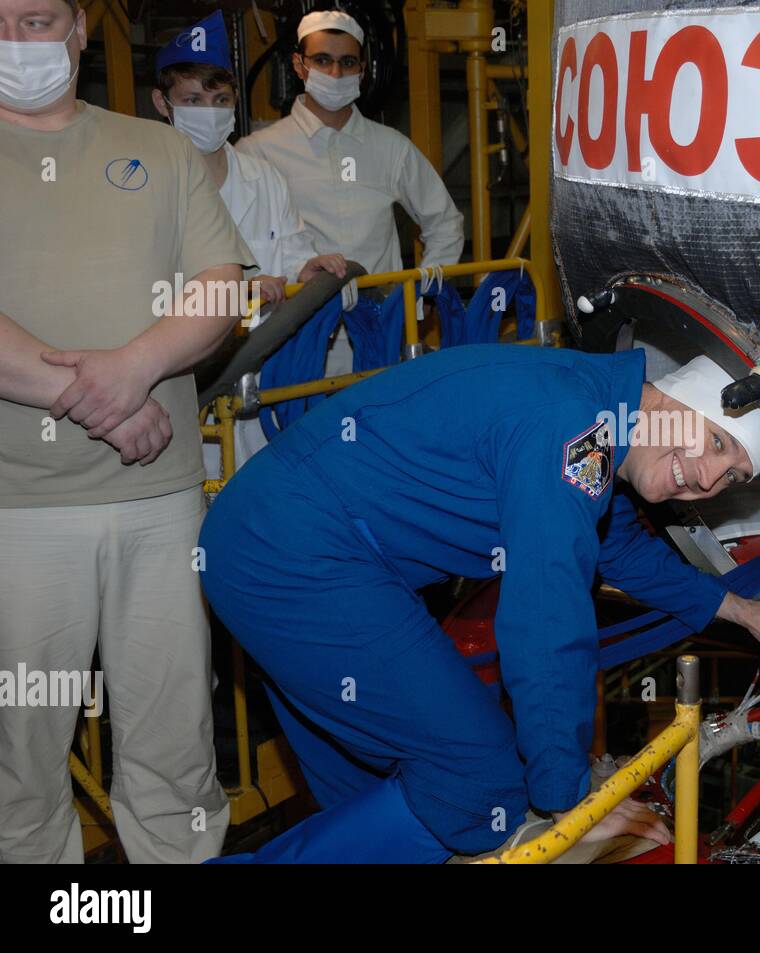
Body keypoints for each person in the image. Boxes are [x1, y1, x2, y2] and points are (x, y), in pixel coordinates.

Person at [199, 347, 760, 862]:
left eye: (733, 475)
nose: (709, 481)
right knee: (477, 782)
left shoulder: (597, 412)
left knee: (372, 808)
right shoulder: (575, 425)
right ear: (674, 398)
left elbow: (619, 549)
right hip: (295, 558)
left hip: (271, 540)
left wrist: (741, 609)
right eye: (716, 442)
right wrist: (569, 797)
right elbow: (547, 617)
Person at [0, 0, 254, 862]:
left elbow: (223, 285)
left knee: (176, 747)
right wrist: (104, 395)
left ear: (76, 30)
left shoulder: (158, 149)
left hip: (161, 504)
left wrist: (135, 365)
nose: (15, 44)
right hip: (17, 511)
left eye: (34, 21)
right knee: (20, 764)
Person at [150, 11, 348, 473]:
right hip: (184, 387)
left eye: (220, 98)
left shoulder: (262, 178)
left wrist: (308, 266)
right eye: (193, 99)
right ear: (163, 103)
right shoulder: (146, 185)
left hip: (265, 387)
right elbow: (146, 287)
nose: (210, 111)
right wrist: (234, 295)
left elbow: (291, 245)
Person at [238, 10, 464, 376]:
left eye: (347, 62)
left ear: (362, 69)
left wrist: (416, 300)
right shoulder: (258, 152)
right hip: (294, 340)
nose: (335, 74)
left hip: (381, 336)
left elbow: (445, 223)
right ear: (298, 65)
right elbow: (235, 247)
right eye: (322, 60)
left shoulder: (391, 149)